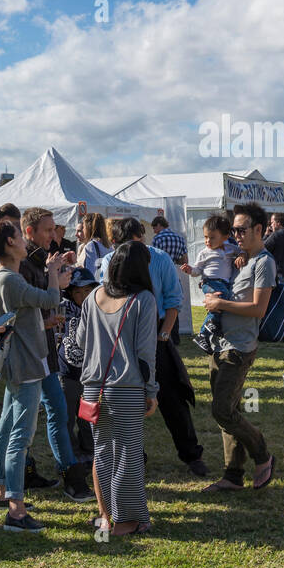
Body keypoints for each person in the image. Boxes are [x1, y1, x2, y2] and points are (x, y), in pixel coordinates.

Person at [0, 221, 83, 531]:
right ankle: (15, 510)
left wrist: (45, 324)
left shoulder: (5, 277)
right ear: (12, 242)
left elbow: (26, 315)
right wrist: (54, 271)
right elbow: (51, 299)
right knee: (21, 437)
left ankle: (0, 490)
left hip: (22, 361)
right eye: (20, 236)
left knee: (6, 425)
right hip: (26, 365)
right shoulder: (9, 279)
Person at [99, 216, 207, 476]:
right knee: (125, 399)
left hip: (157, 333)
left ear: (143, 238)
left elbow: (173, 300)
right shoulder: (108, 261)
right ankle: (134, 456)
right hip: (123, 335)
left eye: (136, 243)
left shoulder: (159, 259)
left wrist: (164, 335)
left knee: (171, 398)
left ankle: (191, 454)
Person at [77, 241, 159, 535]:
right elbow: (145, 353)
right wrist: (152, 391)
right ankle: (127, 520)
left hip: (93, 388)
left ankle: (106, 514)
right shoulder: (144, 300)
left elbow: (79, 340)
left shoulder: (92, 297)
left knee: (102, 452)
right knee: (128, 454)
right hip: (127, 387)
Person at [20, 207, 99, 497]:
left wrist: (56, 273)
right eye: (48, 230)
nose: (55, 235)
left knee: (41, 414)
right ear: (29, 232)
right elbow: (24, 313)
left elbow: (38, 308)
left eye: (55, 229)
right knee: (25, 419)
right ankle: (15, 482)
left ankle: (55, 476)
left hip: (43, 353)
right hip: (30, 355)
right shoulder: (25, 264)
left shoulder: (37, 261)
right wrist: (56, 280)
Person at [201, 201, 276, 492]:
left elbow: (258, 308)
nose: (236, 235)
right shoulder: (240, 258)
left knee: (222, 410)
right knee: (227, 411)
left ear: (259, 229)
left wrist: (220, 303)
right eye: (233, 230)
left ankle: (262, 453)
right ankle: (233, 475)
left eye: (241, 230)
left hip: (240, 346)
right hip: (221, 343)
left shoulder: (264, 263)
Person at [58, 267, 100, 462]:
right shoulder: (65, 308)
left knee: (87, 415)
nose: (82, 296)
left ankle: (89, 450)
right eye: (77, 292)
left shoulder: (100, 310)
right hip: (67, 370)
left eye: (87, 291)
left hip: (90, 373)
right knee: (66, 416)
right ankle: (71, 454)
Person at [182, 214, 240, 352]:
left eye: (212, 237)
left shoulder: (231, 249)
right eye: (205, 237)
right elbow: (197, 270)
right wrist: (190, 270)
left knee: (223, 302)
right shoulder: (204, 253)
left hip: (224, 283)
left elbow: (242, 251)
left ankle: (207, 331)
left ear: (225, 237)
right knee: (222, 298)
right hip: (210, 283)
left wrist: (242, 255)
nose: (207, 241)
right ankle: (207, 329)